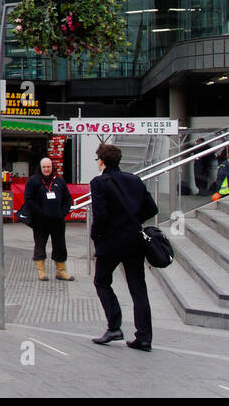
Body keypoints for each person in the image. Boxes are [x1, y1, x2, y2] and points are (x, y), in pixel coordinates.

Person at [89, 143, 158, 350]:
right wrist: (133, 221)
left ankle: (114, 326)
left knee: (102, 281)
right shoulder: (134, 180)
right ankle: (144, 337)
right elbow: (151, 209)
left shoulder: (99, 182)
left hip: (111, 242)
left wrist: (97, 236)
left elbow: (100, 215)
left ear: (101, 161)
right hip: (134, 241)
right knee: (138, 288)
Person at [25, 157, 73, 281]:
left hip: (58, 221)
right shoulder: (33, 181)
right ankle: (41, 272)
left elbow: (68, 198)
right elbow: (28, 199)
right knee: (40, 245)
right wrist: (40, 213)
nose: (46, 169)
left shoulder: (59, 181)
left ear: (52, 168)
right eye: (44, 167)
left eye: (49, 167)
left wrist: (63, 212)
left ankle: (61, 271)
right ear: (40, 168)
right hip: (40, 221)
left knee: (60, 246)